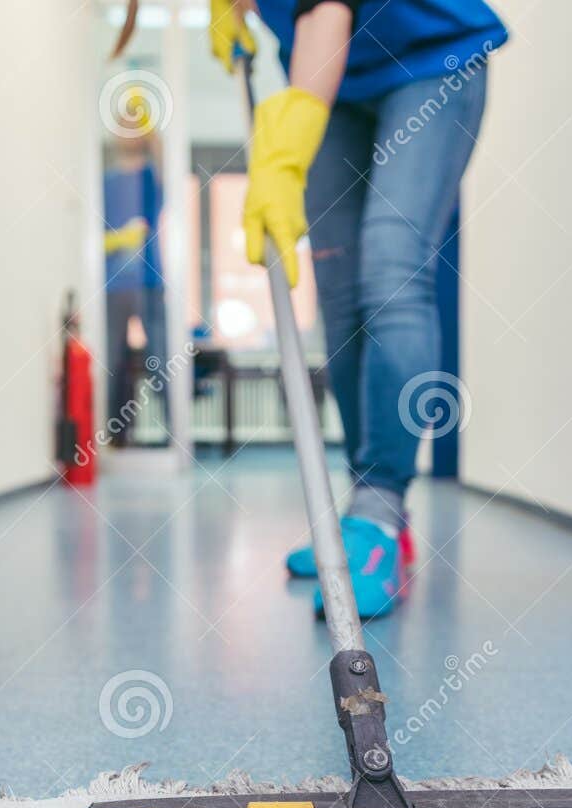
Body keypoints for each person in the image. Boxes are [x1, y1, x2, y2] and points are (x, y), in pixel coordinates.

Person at [210, 0, 507, 618]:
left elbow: (326, 13)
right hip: (337, 81)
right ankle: (365, 513)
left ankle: (380, 508)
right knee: (341, 299)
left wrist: (286, 151)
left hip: (432, 60)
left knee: (392, 273)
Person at [102, 89, 168, 446]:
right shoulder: (104, 181)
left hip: (149, 281)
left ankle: (177, 435)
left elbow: (161, 154)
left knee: (160, 357)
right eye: (123, 121)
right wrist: (116, 240)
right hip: (112, 287)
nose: (129, 128)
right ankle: (116, 437)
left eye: (135, 121)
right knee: (113, 364)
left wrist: (142, 107)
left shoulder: (150, 176)